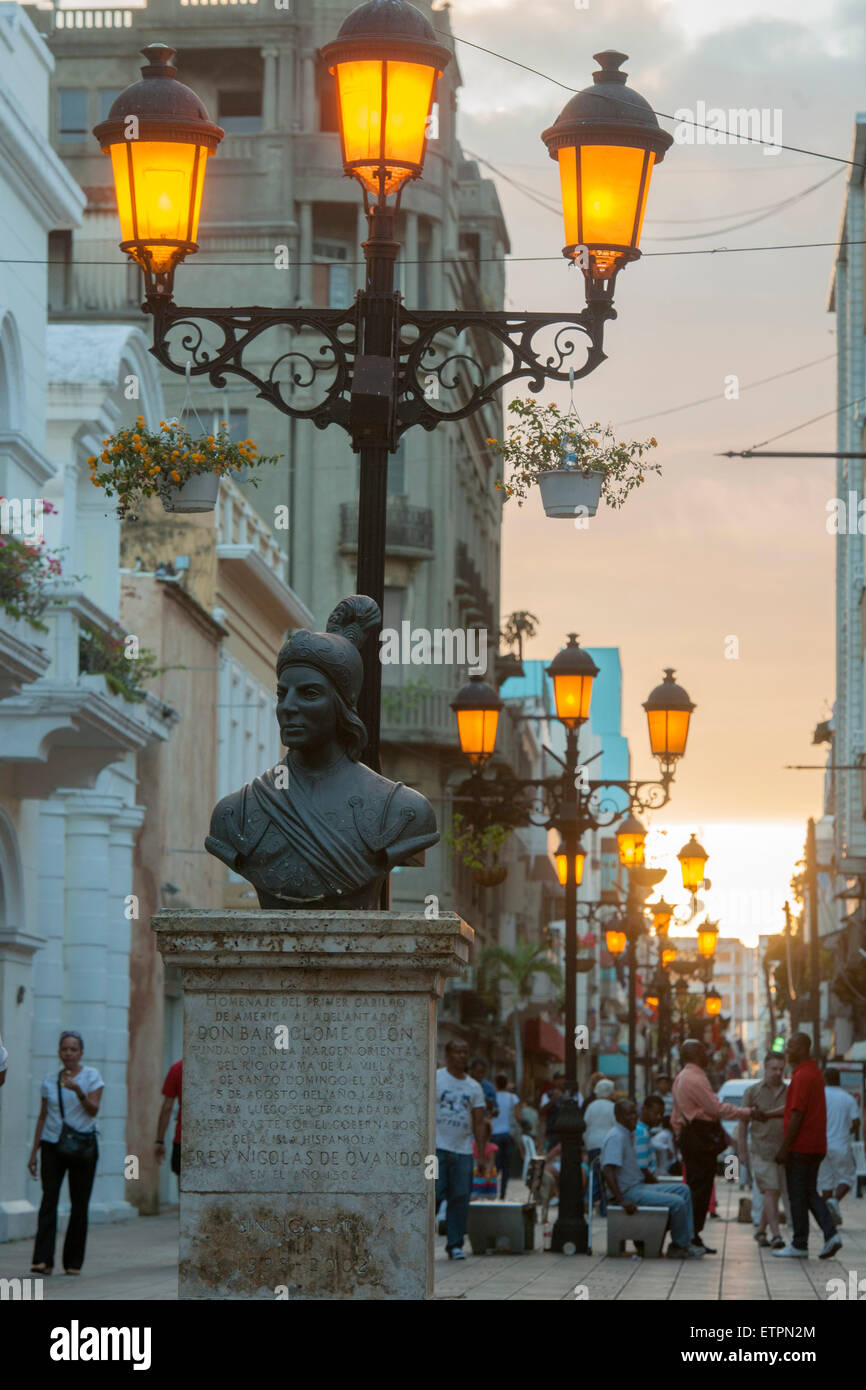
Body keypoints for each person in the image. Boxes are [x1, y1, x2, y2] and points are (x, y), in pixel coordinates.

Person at [28, 1031, 103, 1276]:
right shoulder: (49, 1081)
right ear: (59, 1053)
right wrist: (34, 1152)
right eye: (64, 1049)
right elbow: (42, 1116)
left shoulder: (92, 1077)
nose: (68, 1053)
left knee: (79, 1205)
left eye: (73, 1049)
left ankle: (73, 1262)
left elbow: (93, 1110)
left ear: (81, 1052)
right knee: (49, 1200)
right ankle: (42, 1260)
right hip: (52, 1144)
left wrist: (78, 1090)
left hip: (83, 1146)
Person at [672, 1039, 754, 1253]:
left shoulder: (682, 1077)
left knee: (696, 1187)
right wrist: (745, 1112)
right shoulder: (695, 1077)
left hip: (692, 1135)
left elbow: (676, 1114)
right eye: (703, 1051)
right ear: (696, 1055)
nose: (708, 1056)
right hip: (699, 1136)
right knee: (700, 1189)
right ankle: (689, 1236)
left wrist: (680, 1134)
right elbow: (715, 1108)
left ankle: (692, 1236)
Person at [768, 1033, 841, 1260]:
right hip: (815, 1145)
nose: (789, 1050)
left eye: (792, 1046)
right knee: (809, 1192)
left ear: (803, 1047)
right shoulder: (814, 1073)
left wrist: (785, 1148)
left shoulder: (802, 1076)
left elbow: (797, 1114)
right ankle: (830, 1234)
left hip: (801, 1146)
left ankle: (800, 1243)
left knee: (798, 1196)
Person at [601, 1099, 703, 1259]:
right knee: (677, 1202)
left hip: (638, 1186)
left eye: (635, 1113)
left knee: (684, 1190)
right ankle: (679, 1245)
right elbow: (608, 1171)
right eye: (629, 1114)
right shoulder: (616, 1136)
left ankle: (687, 1241)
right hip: (629, 1192)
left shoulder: (629, 1134)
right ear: (619, 1116)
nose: (634, 1117)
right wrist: (621, 1200)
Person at [435, 1040, 487, 1259]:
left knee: (460, 1197)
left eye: (464, 1052)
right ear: (447, 1055)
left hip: (463, 1151)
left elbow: (479, 1122)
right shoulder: (436, 1078)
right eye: (456, 1051)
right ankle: (422, 1239)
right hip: (436, 1150)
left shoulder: (474, 1087)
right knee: (432, 1195)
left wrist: (481, 1155)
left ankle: (455, 1244)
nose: (461, 1056)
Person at [738, 1052, 787, 1249]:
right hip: (760, 1148)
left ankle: (760, 1231)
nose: (777, 1073)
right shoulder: (753, 1092)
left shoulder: (789, 1091)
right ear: (765, 1069)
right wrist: (742, 1151)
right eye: (774, 1069)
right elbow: (742, 1123)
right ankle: (776, 1235)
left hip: (782, 1151)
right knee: (771, 1190)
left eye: (781, 1069)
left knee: (772, 1193)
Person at [818, 1068, 859, 1226]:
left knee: (826, 1182)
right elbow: (856, 1122)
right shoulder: (848, 1098)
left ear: (824, 1079)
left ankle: (829, 1219)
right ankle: (835, 1201)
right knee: (847, 1178)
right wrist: (848, 1131)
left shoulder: (819, 1097)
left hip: (822, 1145)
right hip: (840, 1144)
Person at [583, 1079, 616, 1215]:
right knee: (606, 1176)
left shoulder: (591, 1106)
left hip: (592, 1143)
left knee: (594, 1172)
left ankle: (588, 1200)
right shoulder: (612, 1107)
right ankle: (602, 1206)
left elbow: (585, 1125)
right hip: (607, 1144)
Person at [491, 1072, 522, 1200]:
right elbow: (518, 1116)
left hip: (494, 1135)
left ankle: (492, 1191)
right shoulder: (512, 1098)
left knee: (495, 1165)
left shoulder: (492, 1097)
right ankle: (502, 1195)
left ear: (496, 1084)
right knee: (506, 1167)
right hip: (508, 1136)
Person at [156, 1059, 183, 1177]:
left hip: (183, 1138)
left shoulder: (178, 1067)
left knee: (184, 1190)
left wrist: (159, 1141)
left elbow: (167, 1108)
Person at [635, 1095, 665, 1179]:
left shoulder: (644, 1131)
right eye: (656, 1113)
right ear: (644, 1110)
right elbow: (642, 1169)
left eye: (661, 1114)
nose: (659, 1117)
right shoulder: (641, 1133)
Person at [471, 1117, 499, 1200]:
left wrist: (489, 1174)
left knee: (489, 1196)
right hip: (476, 1175)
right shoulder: (472, 1146)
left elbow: (491, 1162)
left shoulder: (491, 1148)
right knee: (475, 1194)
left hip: (487, 1175)